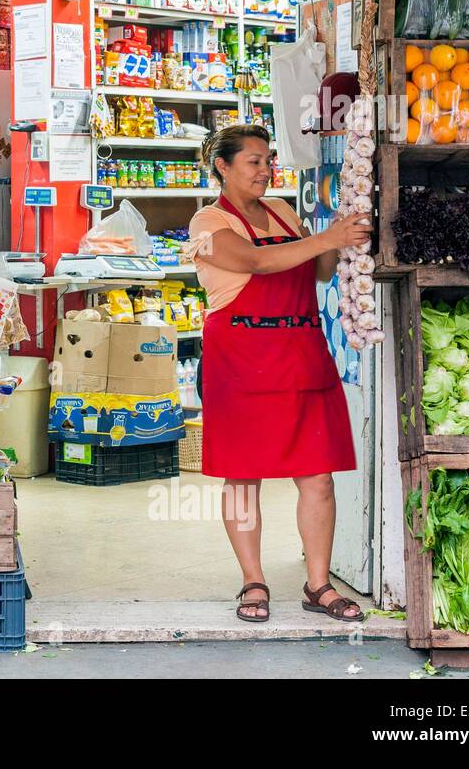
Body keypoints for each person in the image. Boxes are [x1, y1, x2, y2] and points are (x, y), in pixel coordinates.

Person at [188, 124, 371, 624]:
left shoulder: (284, 212)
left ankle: (319, 585)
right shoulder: (207, 222)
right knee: (243, 477)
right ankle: (253, 580)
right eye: (253, 161)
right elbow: (255, 261)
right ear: (223, 167)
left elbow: (321, 272)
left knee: (318, 478)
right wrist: (323, 239)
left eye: (269, 160)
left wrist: (339, 229)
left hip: (300, 352)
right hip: (241, 361)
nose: (266, 169)